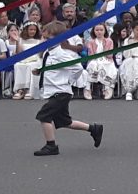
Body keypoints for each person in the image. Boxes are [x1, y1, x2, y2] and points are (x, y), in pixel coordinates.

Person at [32, 23, 102, 156]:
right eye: (44, 38)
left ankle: (51, 146)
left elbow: (78, 68)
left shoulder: (61, 54)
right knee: (65, 122)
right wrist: (40, 70)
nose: (44, 40)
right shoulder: (48, 52)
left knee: (44, 116)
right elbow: (52, 68)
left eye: (48, 38)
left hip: (61, 93)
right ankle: (94, 129)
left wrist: (69, 80)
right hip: (54, 92)